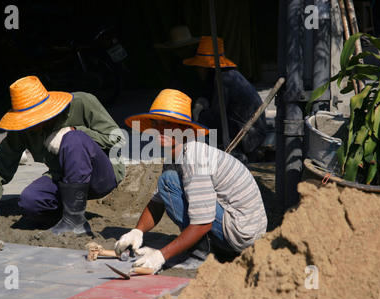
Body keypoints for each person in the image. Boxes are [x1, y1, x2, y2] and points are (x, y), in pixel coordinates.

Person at [114, 88, 267, 274]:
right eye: (156, 123)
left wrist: (161, 256)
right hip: (235, 224)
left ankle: (198, 254)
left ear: (184, 129)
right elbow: (158, 200)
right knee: (168, 182)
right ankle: (206, 247)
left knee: (168, 181)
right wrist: (137, 232)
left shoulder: (195, 158)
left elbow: (203, 223)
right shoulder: (175, 155)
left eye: (168, 124)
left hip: (242, 233)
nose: (160, 128)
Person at [0, 76, 126, 235]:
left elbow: (118, 138)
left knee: (73, 139)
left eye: (33, 119)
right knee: (30, 200)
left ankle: (74, 219)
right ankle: (71, 216)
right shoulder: (23, 130)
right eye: (25, 120)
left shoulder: (82, 102)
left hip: (101, 177)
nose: (30, 125)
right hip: (64, 178)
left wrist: (74, 130)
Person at [183, 36, 267, 164]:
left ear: (210, 67)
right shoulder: (228, 75)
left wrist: (199, 113)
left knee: (205, 117)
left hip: (249, 136)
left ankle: (232, 155)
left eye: (202, 66)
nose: (198, 70)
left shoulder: (223, 79)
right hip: (250, 133)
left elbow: (217, 114)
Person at [153, 25, 202, 100]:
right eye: (177, 50)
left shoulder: (201, 59)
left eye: (181, 49)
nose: (178, 53)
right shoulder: (176, 62)